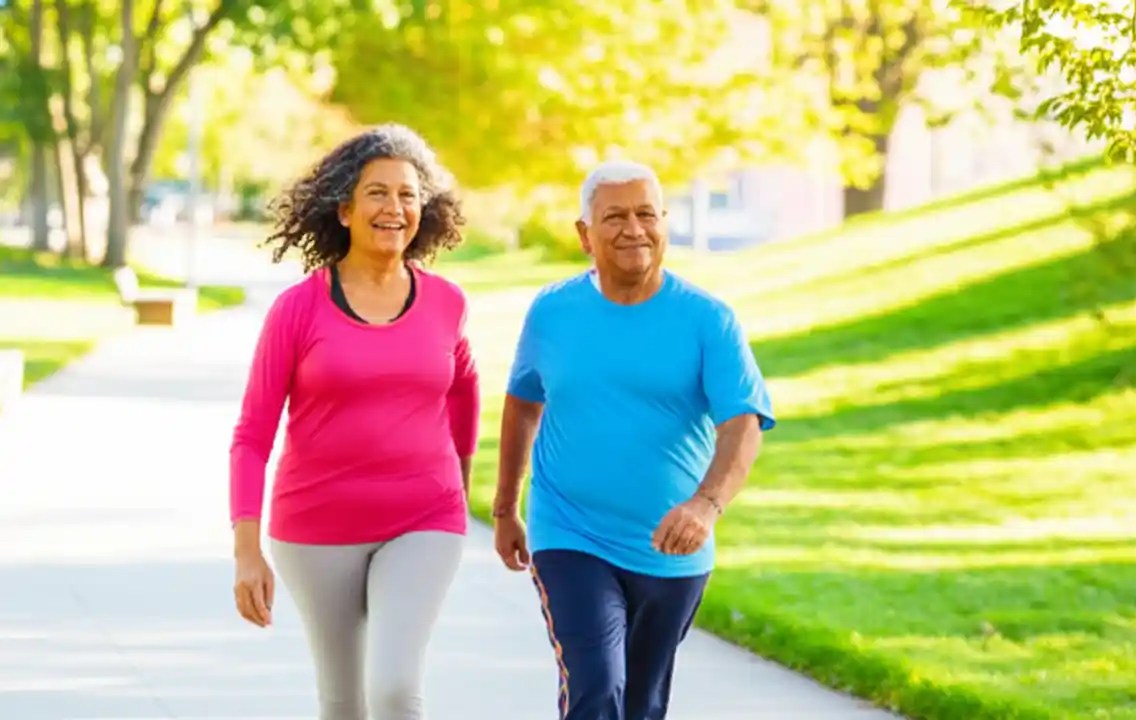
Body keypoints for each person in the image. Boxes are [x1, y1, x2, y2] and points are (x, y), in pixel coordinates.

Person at [491, 160, 775, 720]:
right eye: (615, 217)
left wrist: (706, 505)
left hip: (670, 550)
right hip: (569, 532)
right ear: (585, 234)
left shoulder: (708, 320)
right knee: (596, 687)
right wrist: (506, 507)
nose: (633, 229)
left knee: (641, 703)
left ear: (665, 223)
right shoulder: (552, 312)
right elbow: (523, 402)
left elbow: (742, 425)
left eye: (646, 214)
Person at [228, 123, 479, 720]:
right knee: (344, 704)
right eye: (377, 193)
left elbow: (464, 392)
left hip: (424, 517)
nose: (395, 207)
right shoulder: (297, 310)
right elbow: (252, 435)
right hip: (316, 528)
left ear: (424, 210)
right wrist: (246, 551)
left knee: (393, 688)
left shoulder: (448, 303)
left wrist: (461, 489)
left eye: (408, 195)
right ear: (344, 209)